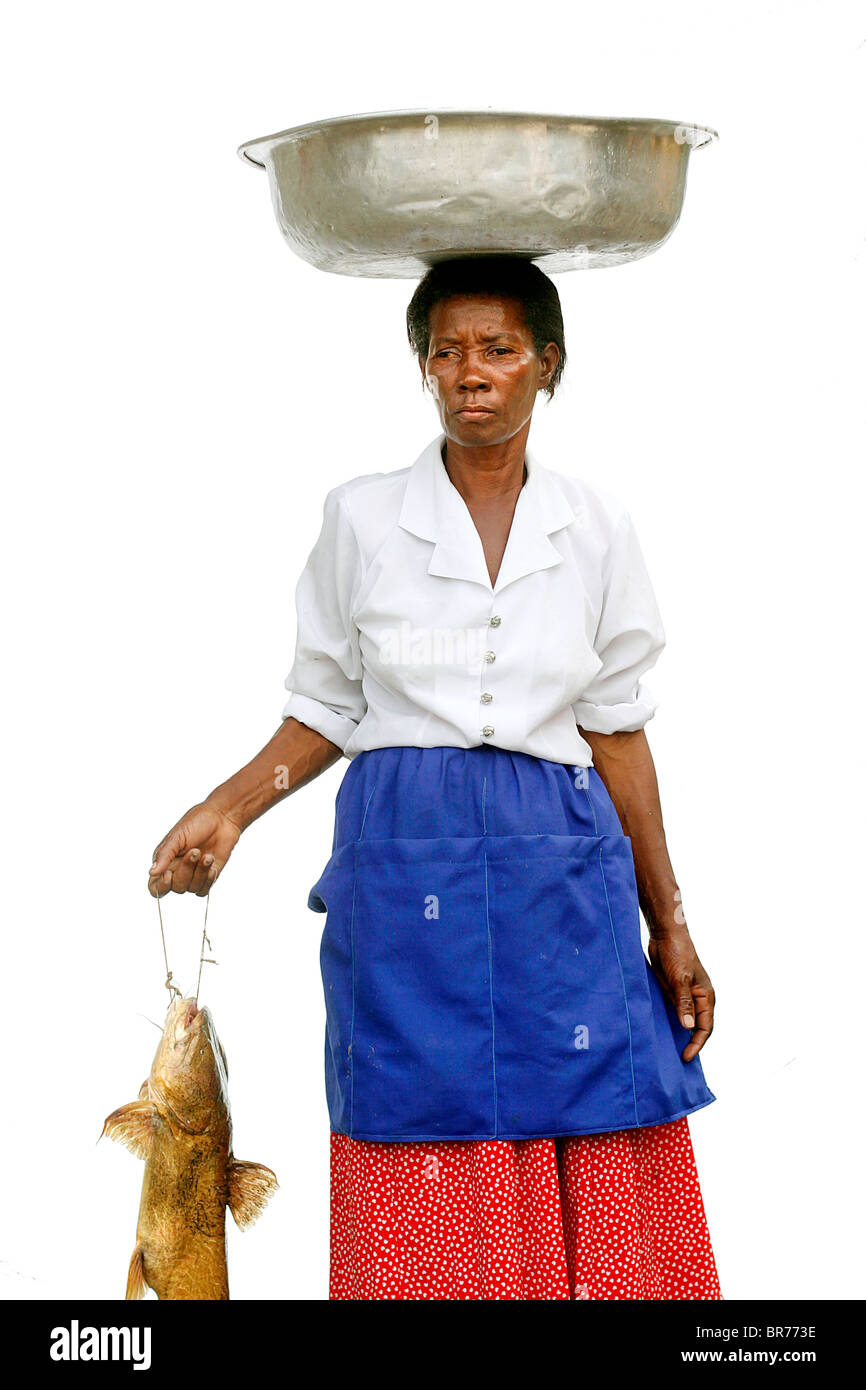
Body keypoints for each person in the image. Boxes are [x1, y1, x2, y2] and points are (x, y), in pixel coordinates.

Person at [148, 256, 721, 1301]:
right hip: (408, 868)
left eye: (499, 348)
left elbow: (618, 730)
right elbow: (324, 706)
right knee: (415, 1107)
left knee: (589, 1101)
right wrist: (226, 809)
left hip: (561, 866)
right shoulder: (363, 518)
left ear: (547, 364)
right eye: (447, 351)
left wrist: (668, 921)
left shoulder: (594, 526)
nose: (472, 372)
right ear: (421, 369)